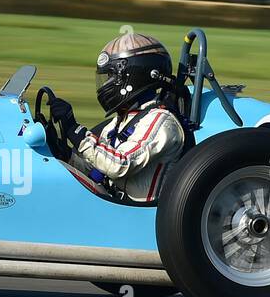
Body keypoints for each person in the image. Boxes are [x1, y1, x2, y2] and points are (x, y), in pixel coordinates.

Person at [49, 32, 187, 203]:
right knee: (53, 172)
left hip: (138, 218)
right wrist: (63, 153)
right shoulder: (119, 121)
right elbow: (98, 172)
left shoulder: (161, 121)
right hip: (112, 204)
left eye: (111, 76)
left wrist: (76, 132)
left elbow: (119, 165)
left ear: (134, 75)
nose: (106, 84)